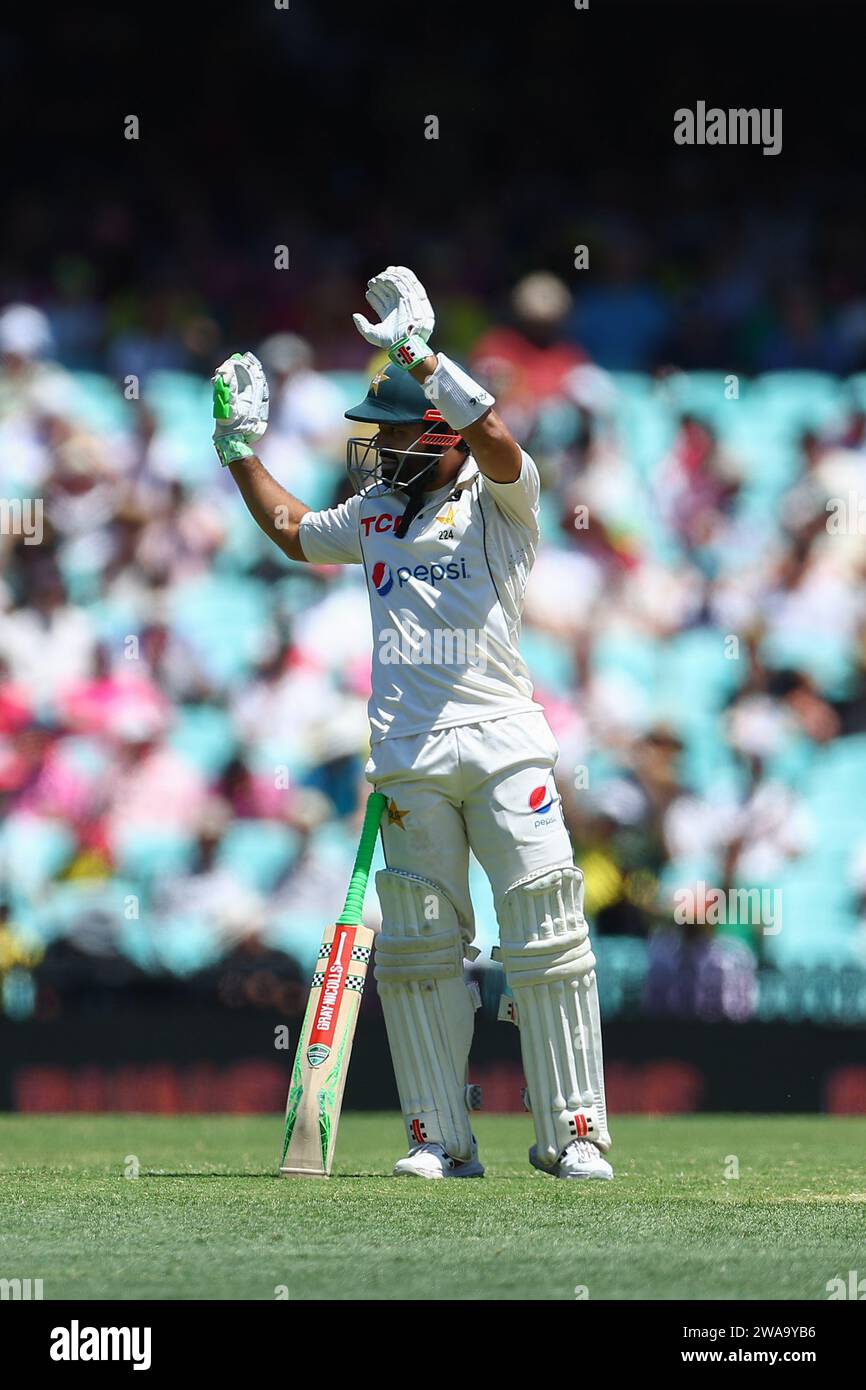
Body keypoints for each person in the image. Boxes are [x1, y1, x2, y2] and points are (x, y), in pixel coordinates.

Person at [211, 266, 612, 1180]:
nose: (380, 450)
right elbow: (289, 529)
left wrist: (420, 355)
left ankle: (574, 1132)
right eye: (376, 435)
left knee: (546, 935)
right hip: (409, 755)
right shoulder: (378, 515)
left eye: (395, 435)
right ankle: (439, 1137)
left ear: (440, 435)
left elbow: (498, 435)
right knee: (425, 947)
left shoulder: (503, 502)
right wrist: (238, 447)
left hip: (506, 741)